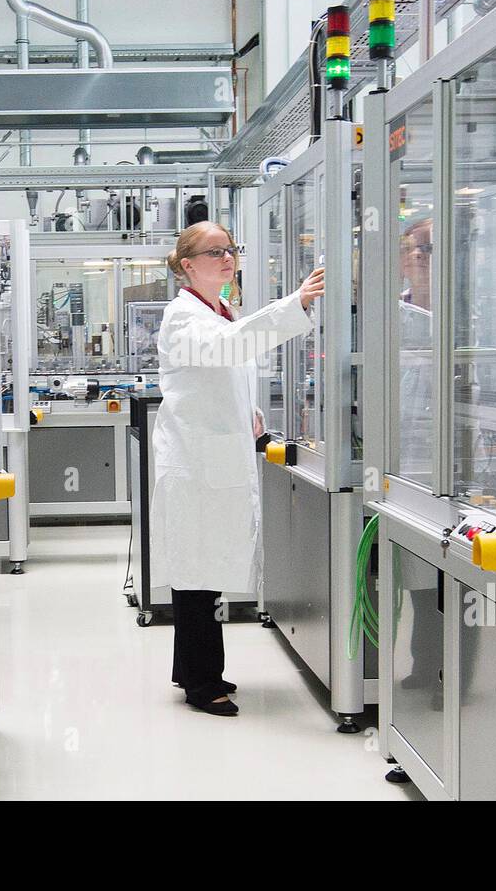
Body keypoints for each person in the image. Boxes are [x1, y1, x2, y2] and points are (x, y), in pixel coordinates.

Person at [149, 221, 324, 716]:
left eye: (231, 249)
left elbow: (226, 370)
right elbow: (229, 348)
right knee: (196, 573)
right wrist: (294, 306)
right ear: (188, 266)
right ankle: (202, 686)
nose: (227, 258)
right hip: (195, 464)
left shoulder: (222, 310)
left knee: (205, 570)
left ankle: (195, 670)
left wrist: (250, 412)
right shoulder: (182, 317)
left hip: (217, 457)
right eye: (214, 252)